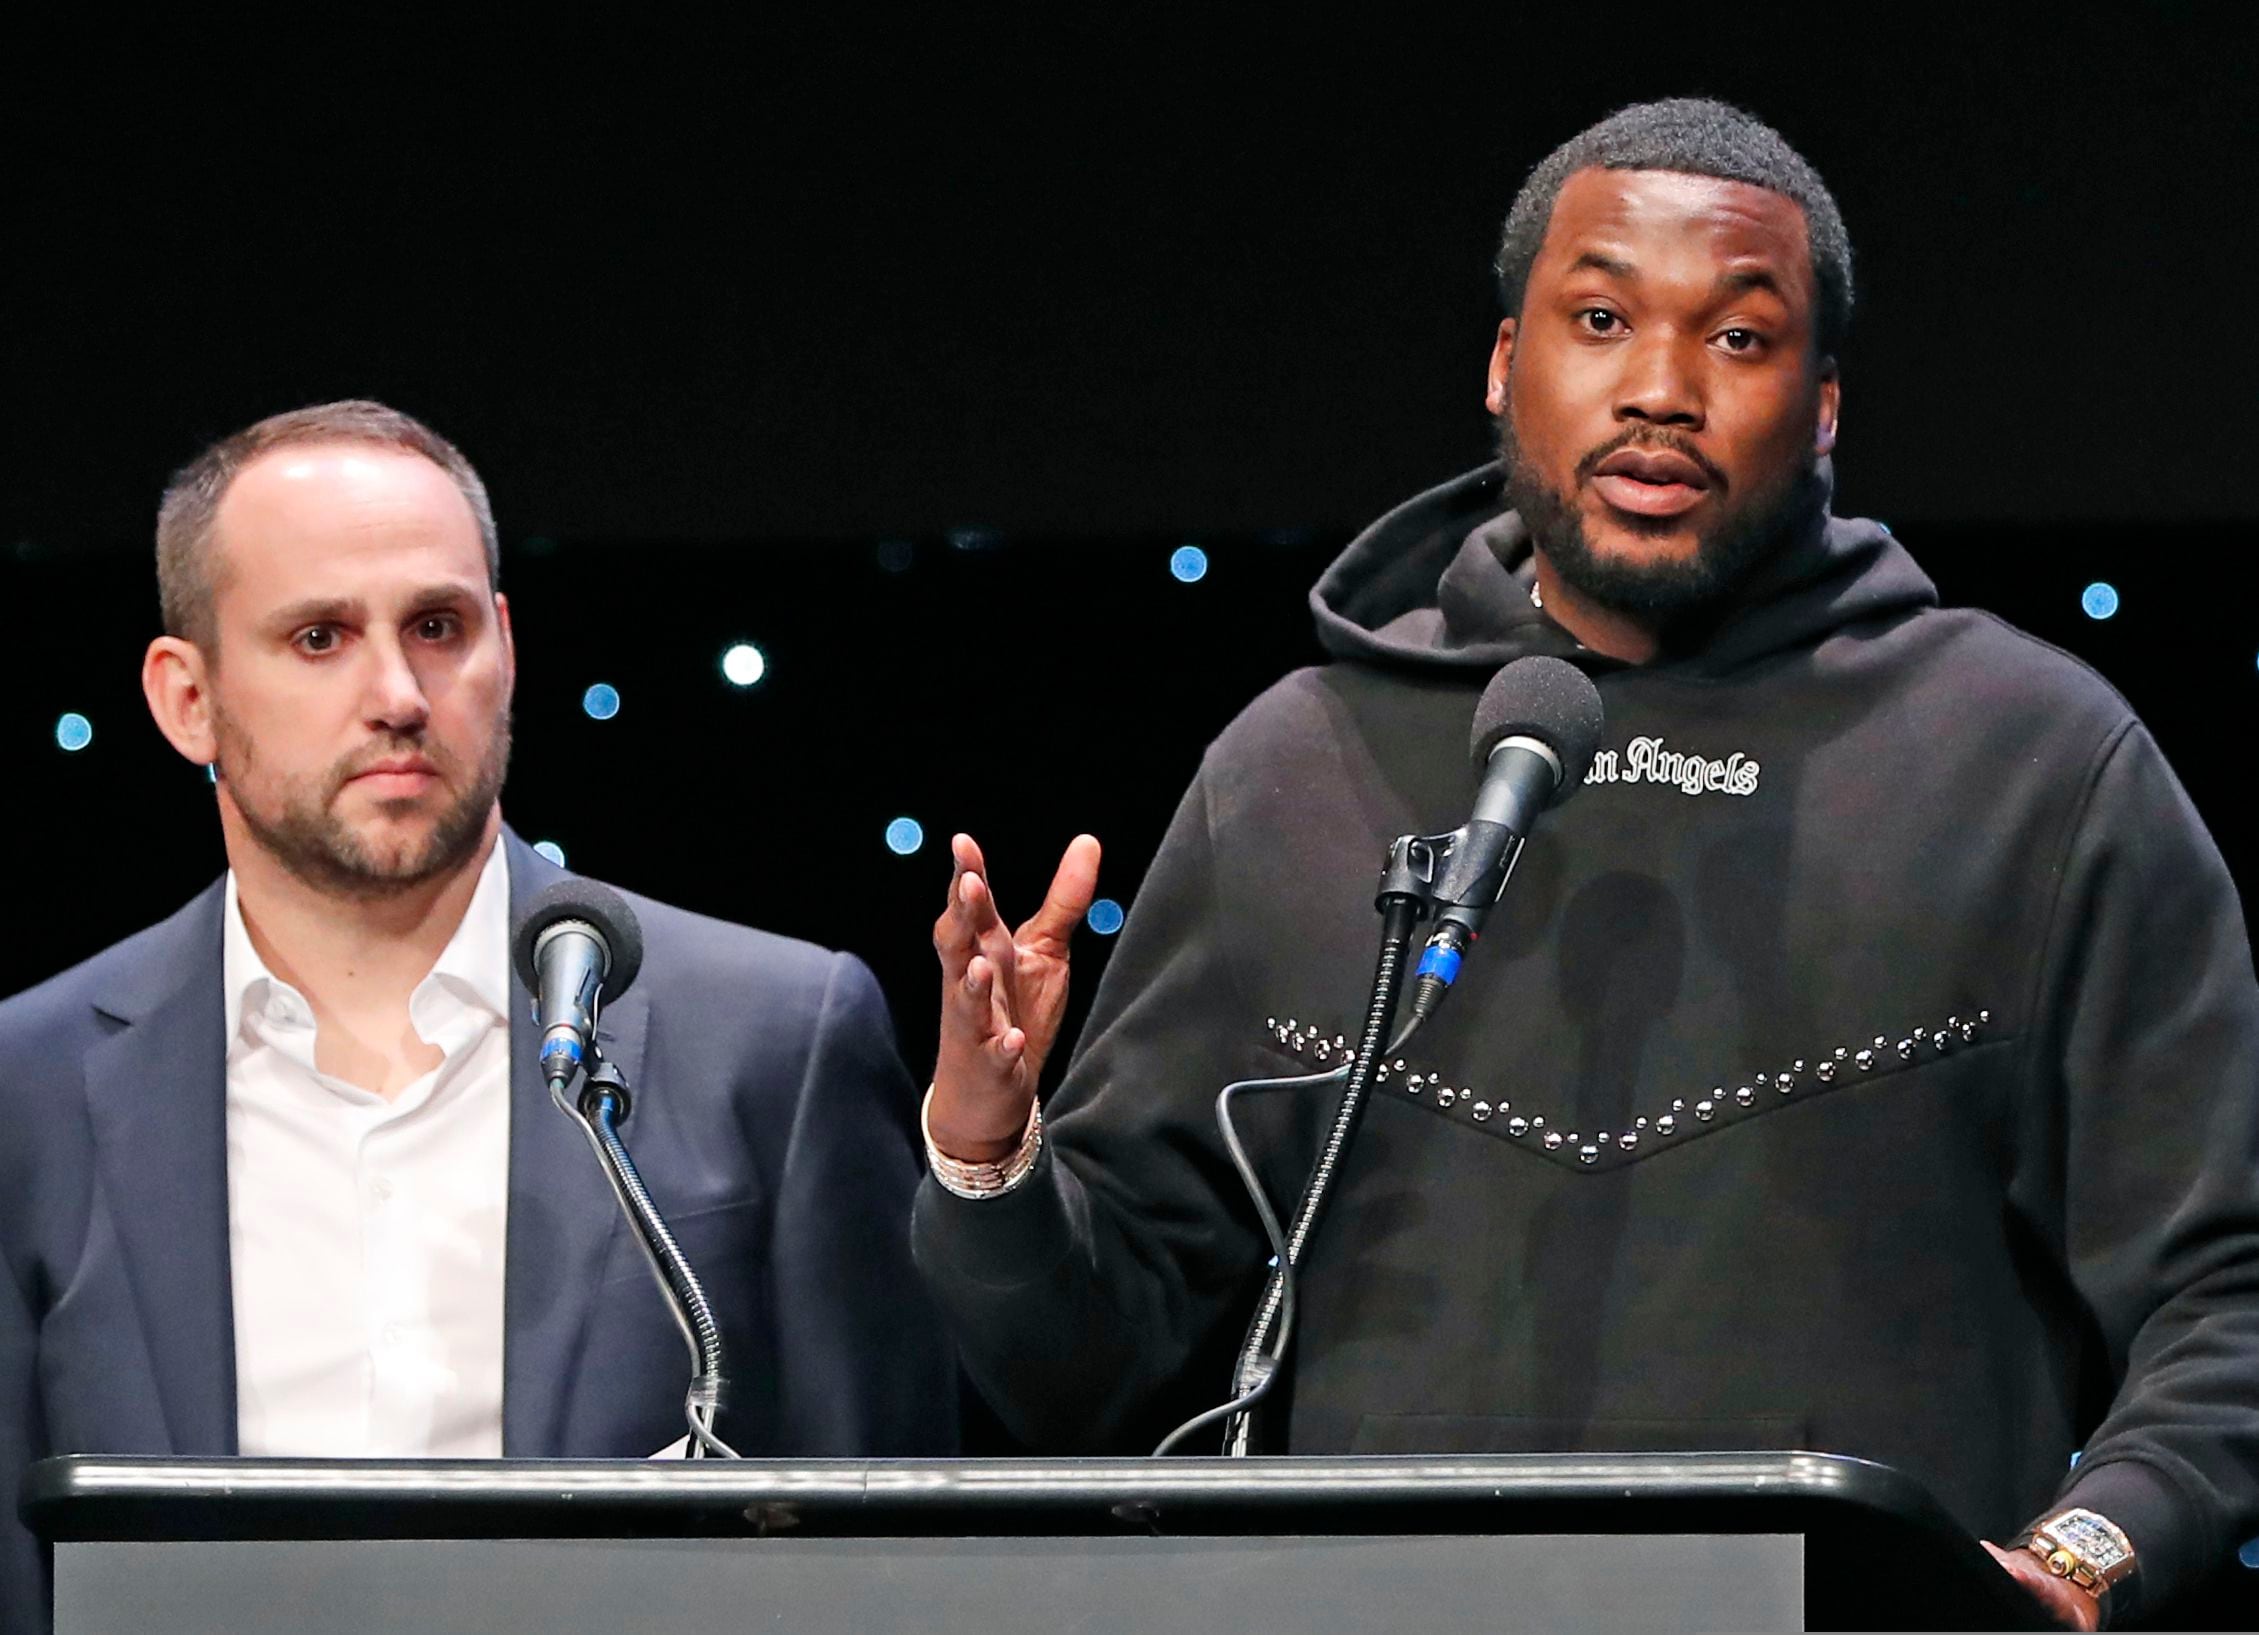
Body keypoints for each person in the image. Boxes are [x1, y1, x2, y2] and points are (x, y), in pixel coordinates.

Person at [913, 100, 2259, 1629]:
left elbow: (2225, 1288)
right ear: (1504, 363)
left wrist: (2082, 1558)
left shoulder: (2030, 759)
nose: (1661, 391)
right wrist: (986, 1145)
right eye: (1602, 318)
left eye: (1738, 341)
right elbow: (1087, 1362)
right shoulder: (1297, 766)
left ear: (1823, 405)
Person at [0, 400, 954, 1629]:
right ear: (187, 698)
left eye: (438, 627)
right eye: (319, 638)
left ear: (506, 646)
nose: (397, 692)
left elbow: (892, 1566)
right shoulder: (32, 1090)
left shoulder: (774, 1037)